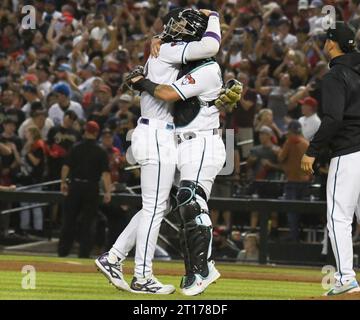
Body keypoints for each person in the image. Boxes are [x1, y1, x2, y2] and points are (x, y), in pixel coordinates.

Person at [95, 8, 227, 295]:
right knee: (155, 208)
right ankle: (142, 276)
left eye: (182, 23)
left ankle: (114, 256)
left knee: (157, 206)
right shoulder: (169, 48)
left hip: (156, 132)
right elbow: (212, 45)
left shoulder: (166, 46)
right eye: (176, 23)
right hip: (157, 133)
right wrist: (213, 15)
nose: (175, 26)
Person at [126, 9, 241, 296]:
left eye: (184, 26)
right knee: (178, 206)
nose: (177, 29)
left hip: (203, 142)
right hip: (183, 143)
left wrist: (142, 82)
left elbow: (167, 94)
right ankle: (194, 271)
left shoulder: (207, 67)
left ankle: (202, 269)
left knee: (190, 201)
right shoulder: (184, 61)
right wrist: (159, 38)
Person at [301, 22, 360, 296]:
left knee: (338, 217)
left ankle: (345, 277)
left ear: (331, 43)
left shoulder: (336, 75)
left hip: (348, 153)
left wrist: (312, 151)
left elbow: (334, 118)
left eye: (326, 41)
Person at [58, 121, 112, 258]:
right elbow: (106, 173)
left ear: (85, 131)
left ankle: (63, 251)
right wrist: (108, 191)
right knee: (88, 222)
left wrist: (63, 182)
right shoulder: (101, 150)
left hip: (75, 186)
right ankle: (84, 253)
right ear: (96, 133)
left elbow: (66, 167)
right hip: (91, 187)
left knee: (69, 220)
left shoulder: (76, 147)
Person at [278, 120, 311, 241]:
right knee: (300, 211)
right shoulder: (306, 143)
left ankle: (294, 237)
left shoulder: (290, 142)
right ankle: (300, 235)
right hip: (305, 182)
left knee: (292, 211)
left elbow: (281, 157)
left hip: (292, 182)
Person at [19, 126, 47, 235]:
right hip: (25, 178)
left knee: (35, 204)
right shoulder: (28, 145)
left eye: (27, 132)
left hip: (35, 179)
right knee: (24, 205)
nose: (25, 134)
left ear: (33, 134)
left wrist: (28, 152)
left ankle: (37, 229)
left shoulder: (38, 145)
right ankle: (24, 228)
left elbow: (36, 162)